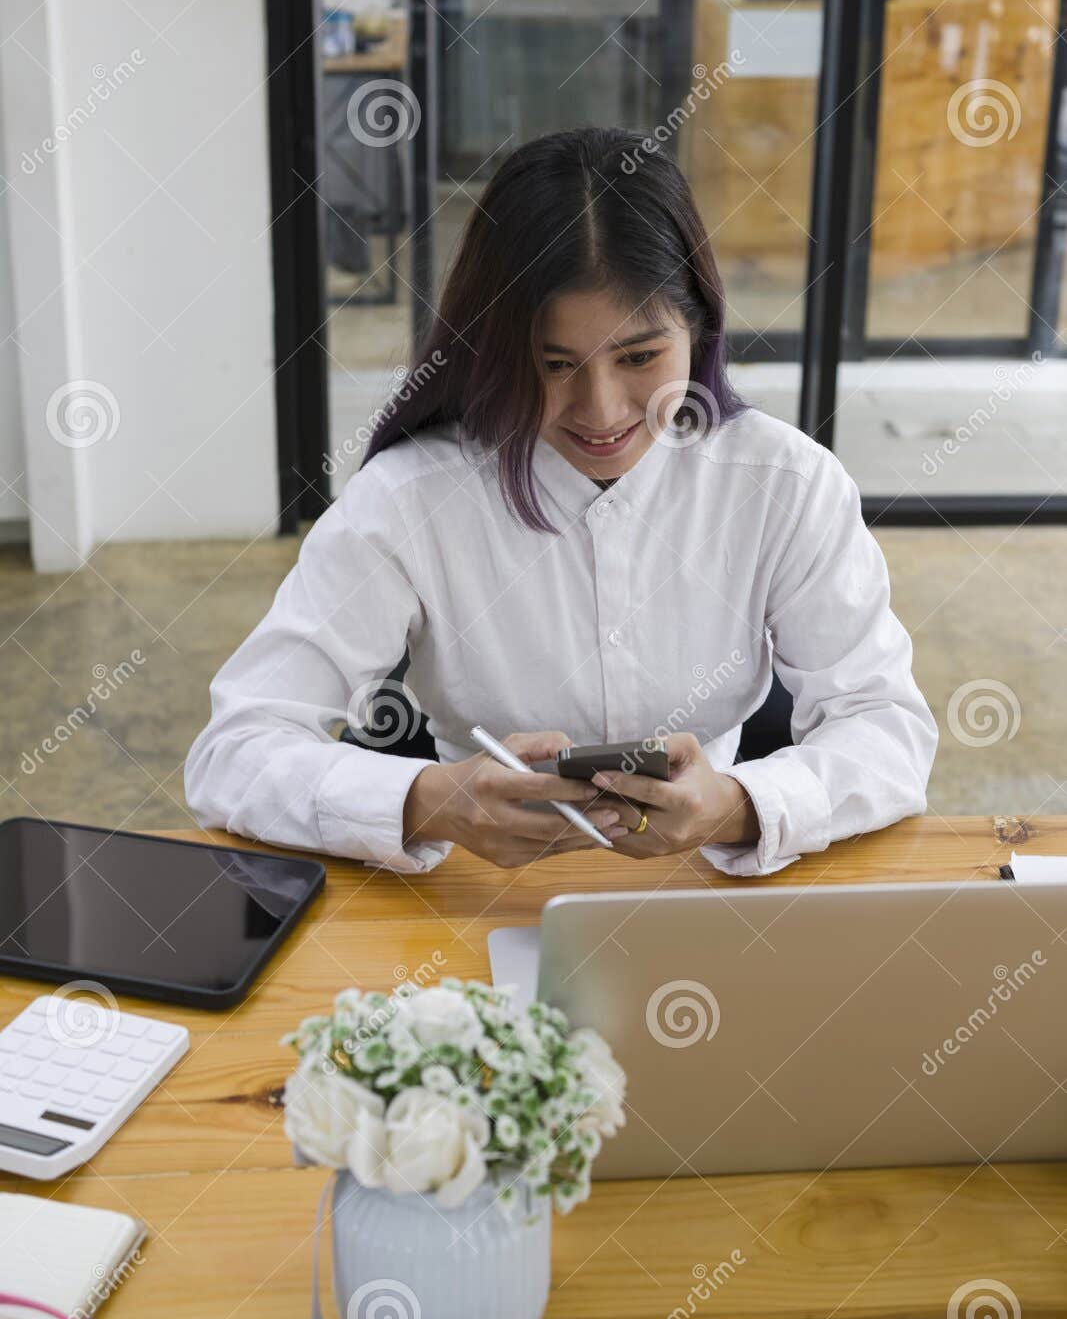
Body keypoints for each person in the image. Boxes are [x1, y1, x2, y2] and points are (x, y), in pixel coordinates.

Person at [185, 127, 938, 876]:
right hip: (470, 889)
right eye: (552, 364)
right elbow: (234, 754)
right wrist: (429, 801)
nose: (602, 409)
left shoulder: (783, 483)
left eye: (640, 357)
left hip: (708, 877)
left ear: (699, 325)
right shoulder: (407, 498)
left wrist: (737, 806)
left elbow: (885, 729)